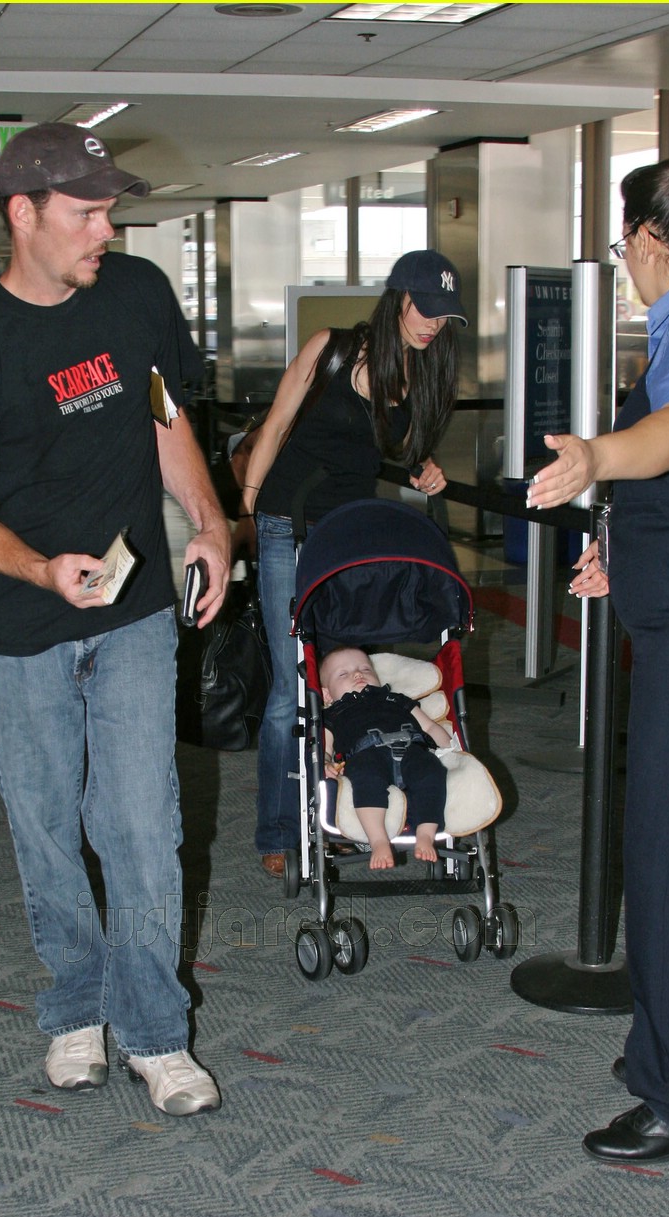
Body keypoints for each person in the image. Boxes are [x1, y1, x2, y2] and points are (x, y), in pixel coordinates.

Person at [0, 123, 231, 1117]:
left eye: (110, 211)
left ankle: (155, 1032)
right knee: (47, 829)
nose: (107, 230)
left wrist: (210, 522)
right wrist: (41, 569)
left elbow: (163, 414)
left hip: (134, 614)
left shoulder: (135, 296)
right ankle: (74, 1008)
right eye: (87, 213)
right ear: (25, 214)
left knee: (140, 825)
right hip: (27, 626)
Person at [527, 157, 669, 1164]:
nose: (623, 261)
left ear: (653, 241)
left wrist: (596, 458)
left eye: (623, 244)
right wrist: (626, 547)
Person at [236, 249, 467, 878]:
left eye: (444, 316)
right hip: (286, 523)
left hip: (347, 542)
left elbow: (402, 453)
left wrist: (427, 469)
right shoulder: (331, 349)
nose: (433, 324)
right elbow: (276, 426)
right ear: (397, 298)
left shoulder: (422, 375)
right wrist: (249, 511)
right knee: (290, 688)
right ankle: (280, 829)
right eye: (424, 309)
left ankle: (333, 819)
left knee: (340, 682)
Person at [320, 648, 452, 869]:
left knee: (432, 771)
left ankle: (426, 834)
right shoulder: (333, 713)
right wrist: (325, 762)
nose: (358, 674)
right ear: (327, 695)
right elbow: (325, 747)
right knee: (365, 779)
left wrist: (451, 748)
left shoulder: (396, 699)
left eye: (365, 669)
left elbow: (429, 726)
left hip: (411, 748)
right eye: (343, 674)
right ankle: (378, 840)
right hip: (365, 755)